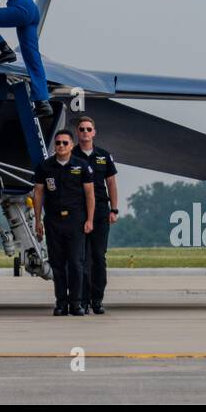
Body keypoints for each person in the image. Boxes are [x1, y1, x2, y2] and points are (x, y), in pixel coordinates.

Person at [32, 129, 95, 315]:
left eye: (65, 143)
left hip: (76, 221)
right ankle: (61, 303)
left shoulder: (82, 166)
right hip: (53, 220)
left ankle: (76, 303)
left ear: (72, 146)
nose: (61, 146)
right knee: (57, 264)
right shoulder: (44, 167)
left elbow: (90, 195)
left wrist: (90, 219)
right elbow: (38, 193)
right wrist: (37, 221)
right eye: (58, 142)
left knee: (76, 263)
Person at [73, 115, 118, 315]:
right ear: (77, 132)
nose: (85, 132)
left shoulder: (104, 156)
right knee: (80, 258)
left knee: (99, 256)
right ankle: (81, 300)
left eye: (88, 129)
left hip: (100, 210)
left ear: (94, 132)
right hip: (78, 211)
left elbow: (111, 184)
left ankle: (97, 299)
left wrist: (114, 209)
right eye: (81, 129)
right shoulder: (70, 155)